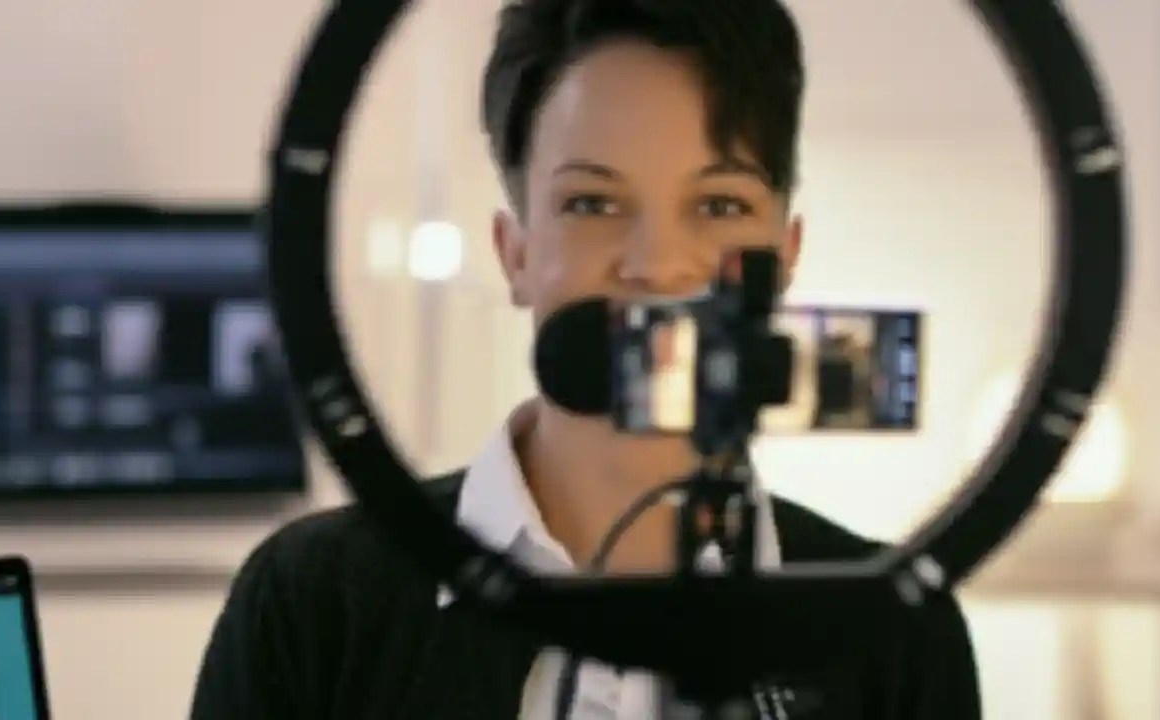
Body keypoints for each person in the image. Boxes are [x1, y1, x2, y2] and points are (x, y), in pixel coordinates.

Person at [190, 0, 983, 717]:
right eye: (592, 203)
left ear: (786, 254)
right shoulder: (316, 600)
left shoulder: (888, 627)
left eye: (718, 205)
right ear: (516, 254)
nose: (657, 264)